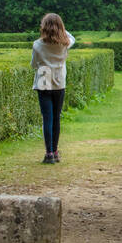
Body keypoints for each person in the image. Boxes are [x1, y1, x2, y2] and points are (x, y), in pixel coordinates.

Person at [31, 13, 75, 164]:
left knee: (47, 118)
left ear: (43, 27)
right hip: (59, 81)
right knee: (56, 118)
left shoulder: (37, 45)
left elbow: (33, 64)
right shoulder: (65, 43)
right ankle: (55, 151)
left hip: (44, 79)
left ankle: (48, 152)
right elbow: (70, 36)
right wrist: (62, 29)